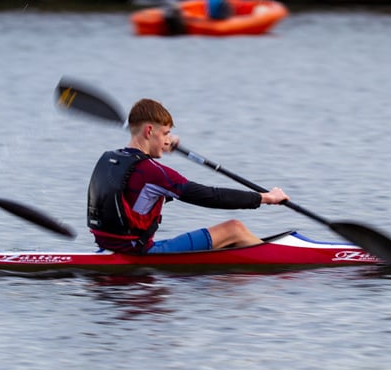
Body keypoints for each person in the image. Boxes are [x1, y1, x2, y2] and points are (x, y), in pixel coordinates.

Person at [87, 98, 289, 254]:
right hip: (139, 251)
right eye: (165, 133)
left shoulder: (113, 159)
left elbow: (139, 188)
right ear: (149, 130)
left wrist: (158, 145)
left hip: (113, 245)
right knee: (234, 229)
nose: (168, 139)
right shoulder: (152, 172)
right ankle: (282, 260)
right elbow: (209, 196)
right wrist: (266, 198)